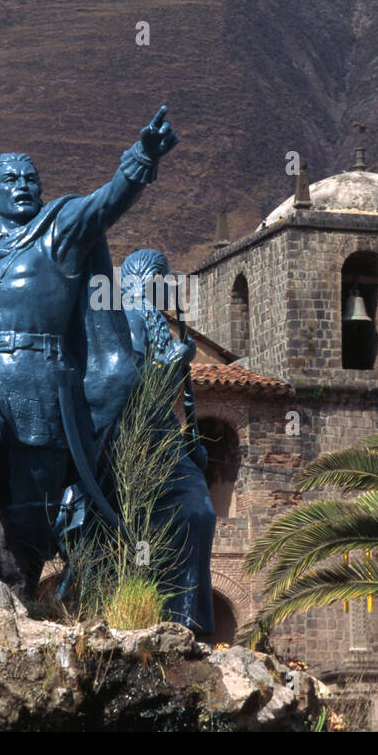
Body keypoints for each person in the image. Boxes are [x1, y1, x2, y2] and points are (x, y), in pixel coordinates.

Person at [0, 106, 179, 586]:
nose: (24, 186)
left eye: (30, 179)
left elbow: (106, 203)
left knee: (32, 516)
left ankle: (26, 576)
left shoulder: (59, 232)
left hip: (45, 378)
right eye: (11, 180)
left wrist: (140, 158)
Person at [118, 248, 215, 633]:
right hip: (135, 435)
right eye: (157, 279)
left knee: (200, 513)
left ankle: (188, 618)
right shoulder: (129, 319)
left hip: (166, 435)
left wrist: (192, 443)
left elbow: (177, 399)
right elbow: (127, 381)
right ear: (139, 281)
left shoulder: (161, 325)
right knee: (188, 514)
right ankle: (159, 613)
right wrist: (175, 362)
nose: (164, 288)